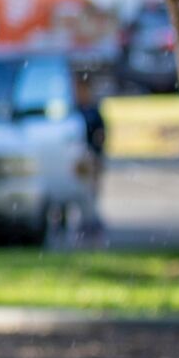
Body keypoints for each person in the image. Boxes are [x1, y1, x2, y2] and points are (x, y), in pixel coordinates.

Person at [73, 67, 108, 243]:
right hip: (77, 158)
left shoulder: (93, 112)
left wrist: (95, 155)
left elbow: (100, 136)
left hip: (91, 158)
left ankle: (92, 224)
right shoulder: (74, 110)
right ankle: (82, 224)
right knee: (78, 192)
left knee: (90, 193)